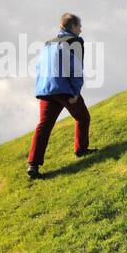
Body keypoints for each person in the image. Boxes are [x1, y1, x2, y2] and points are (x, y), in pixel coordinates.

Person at [26, 13, 97, 179]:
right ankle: (81, 149)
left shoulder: (48, 43)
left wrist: (42, 88)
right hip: (64, 88)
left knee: (44, 126)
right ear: (72, 27)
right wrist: (75, 91)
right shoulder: (75, 42)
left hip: (45, 89)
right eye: (79, 26)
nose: (81, 29)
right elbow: (76, 68)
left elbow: (38, 67)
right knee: (83, 117)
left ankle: (33, 164)